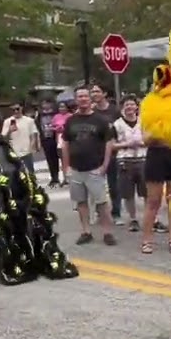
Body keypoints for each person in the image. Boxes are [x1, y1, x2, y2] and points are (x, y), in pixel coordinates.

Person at [62, 87, 117, 245]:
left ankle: (107, 233)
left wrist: (104, 165)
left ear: (90, 99)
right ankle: (86, 231)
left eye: (86, 96)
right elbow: (65, 144)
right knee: (81, 202)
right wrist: (66, 168)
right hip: (76, 170)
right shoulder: (70, 120)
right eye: (80, 96)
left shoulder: (100, 120)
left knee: (101, 203)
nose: (83, 99)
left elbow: (109, 143)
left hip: (95, 168)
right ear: (76, 99)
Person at [140, 127, 171, 255]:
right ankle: (146, 240)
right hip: (156, 155)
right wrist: (163, 132)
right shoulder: (151, 111)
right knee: (153, 201)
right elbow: (146, 139)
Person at [112, 95, 146, 232]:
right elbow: (112, 145)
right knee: (128, 193)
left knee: (146, 192)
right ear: (122, 107)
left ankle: (152, 219)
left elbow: (150, 138)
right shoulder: (117, 124)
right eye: (126, 105)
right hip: (125, 160)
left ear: (137, 107)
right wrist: (127, 144)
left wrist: (141, 143)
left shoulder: (143, 122)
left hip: (143, 159)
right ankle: (133, 219)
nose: (129, 107)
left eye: (132, 104)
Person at [89, 86, 123, 221]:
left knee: (114, 185)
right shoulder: (90, 112)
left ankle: (116, 213)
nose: (94, 94)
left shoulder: (115, 111)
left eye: (97, 91)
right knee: (96, 185)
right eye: (92, 92)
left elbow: (121, 130)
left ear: (104, 93)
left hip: (114, 152)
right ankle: (100, 212)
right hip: (96, 153)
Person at [0, 103, 38, 176]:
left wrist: (31, 148)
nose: (16, 111)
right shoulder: (7, 122)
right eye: (13, 110)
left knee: (30, 174)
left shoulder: (29, 121)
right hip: (13, 152)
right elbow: (3, 138)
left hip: (26, 151)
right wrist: (9, 131)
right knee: (15, 175)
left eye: (17, 109)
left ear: (21, 108)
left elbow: (33, 135)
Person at [37, 99, 61, 186]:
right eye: (44, 103)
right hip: (45, 138)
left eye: (47, 103)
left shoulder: (56, 114)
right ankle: (53, 177)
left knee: (57, 158)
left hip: (55, 137)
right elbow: (38, 126)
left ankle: (59, 176)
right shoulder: (39, 115)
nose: (46, 105)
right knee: (49, 159)